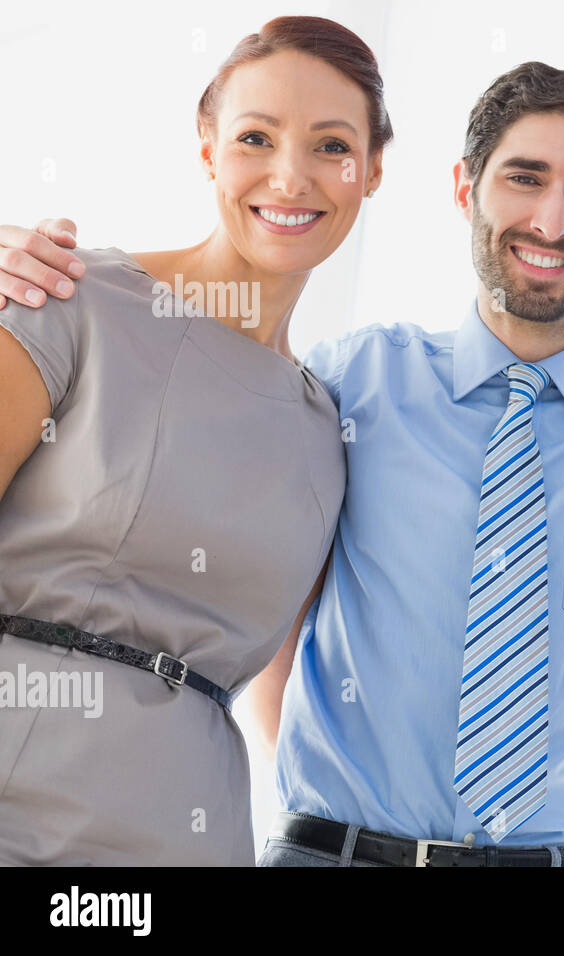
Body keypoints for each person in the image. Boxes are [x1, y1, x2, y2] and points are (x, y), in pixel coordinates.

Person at [0, 62, 564, 866]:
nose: (551, 219)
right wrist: (43, 268)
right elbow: (256, 588)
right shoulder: (348, 388)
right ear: (465, 187)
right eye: (525, 178)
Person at [0, 15, 386, 864]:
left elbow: (287, 696)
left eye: (331, 146)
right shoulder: (69, 297)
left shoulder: (328, 429)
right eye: (256, 137)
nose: (292, 177)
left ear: (373, 170)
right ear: (208, 148)